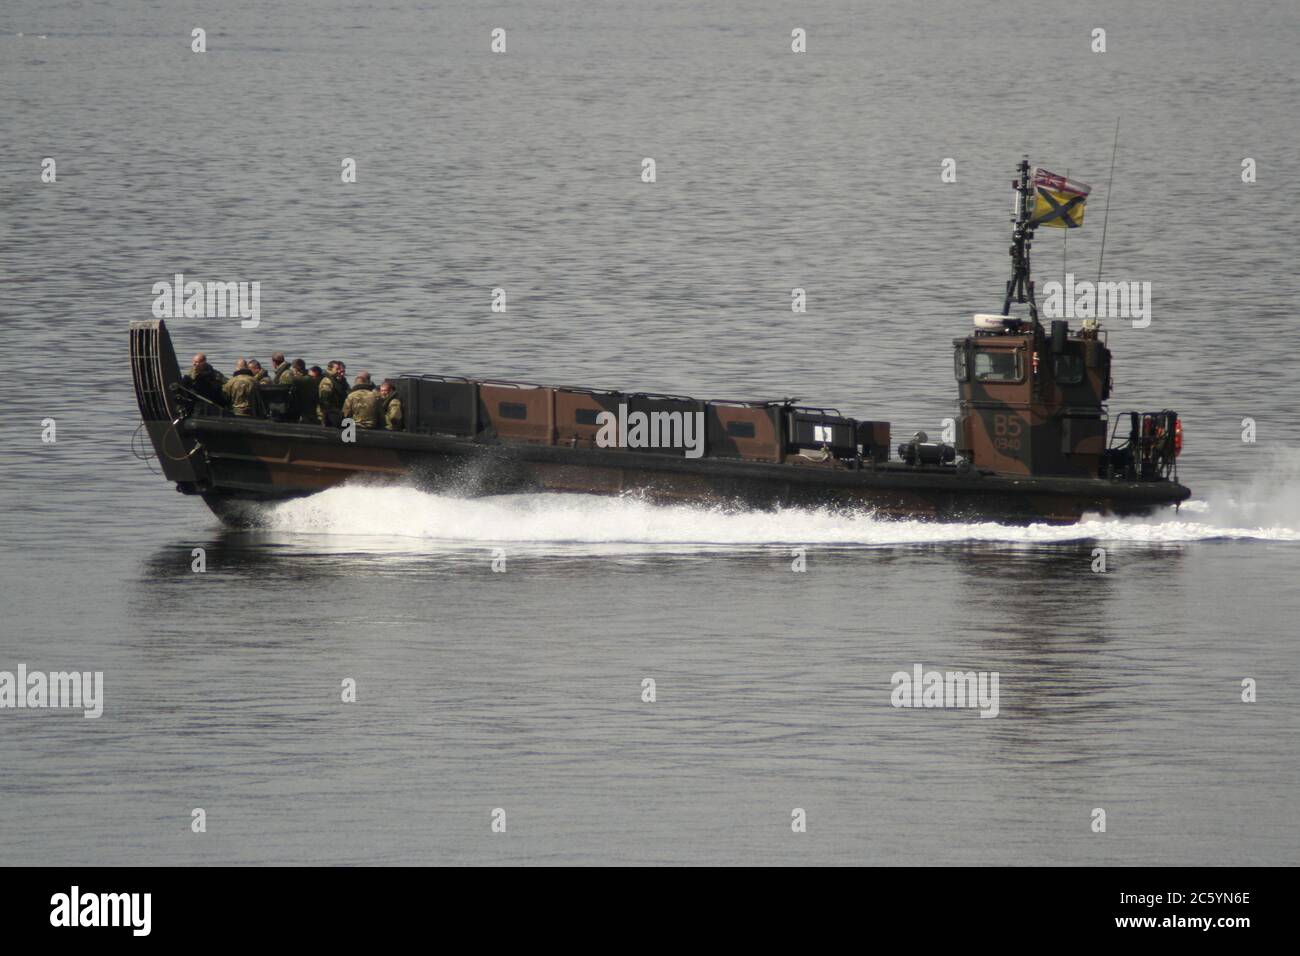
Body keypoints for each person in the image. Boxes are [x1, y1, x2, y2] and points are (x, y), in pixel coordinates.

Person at [316, 361, 349, 426]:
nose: (340, 371)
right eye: (337, 369)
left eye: (341, 370)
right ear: (330, 369)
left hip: (337, 412)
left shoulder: (341, 381)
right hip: (329, 415)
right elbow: (324, 401)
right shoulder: (327, 381)